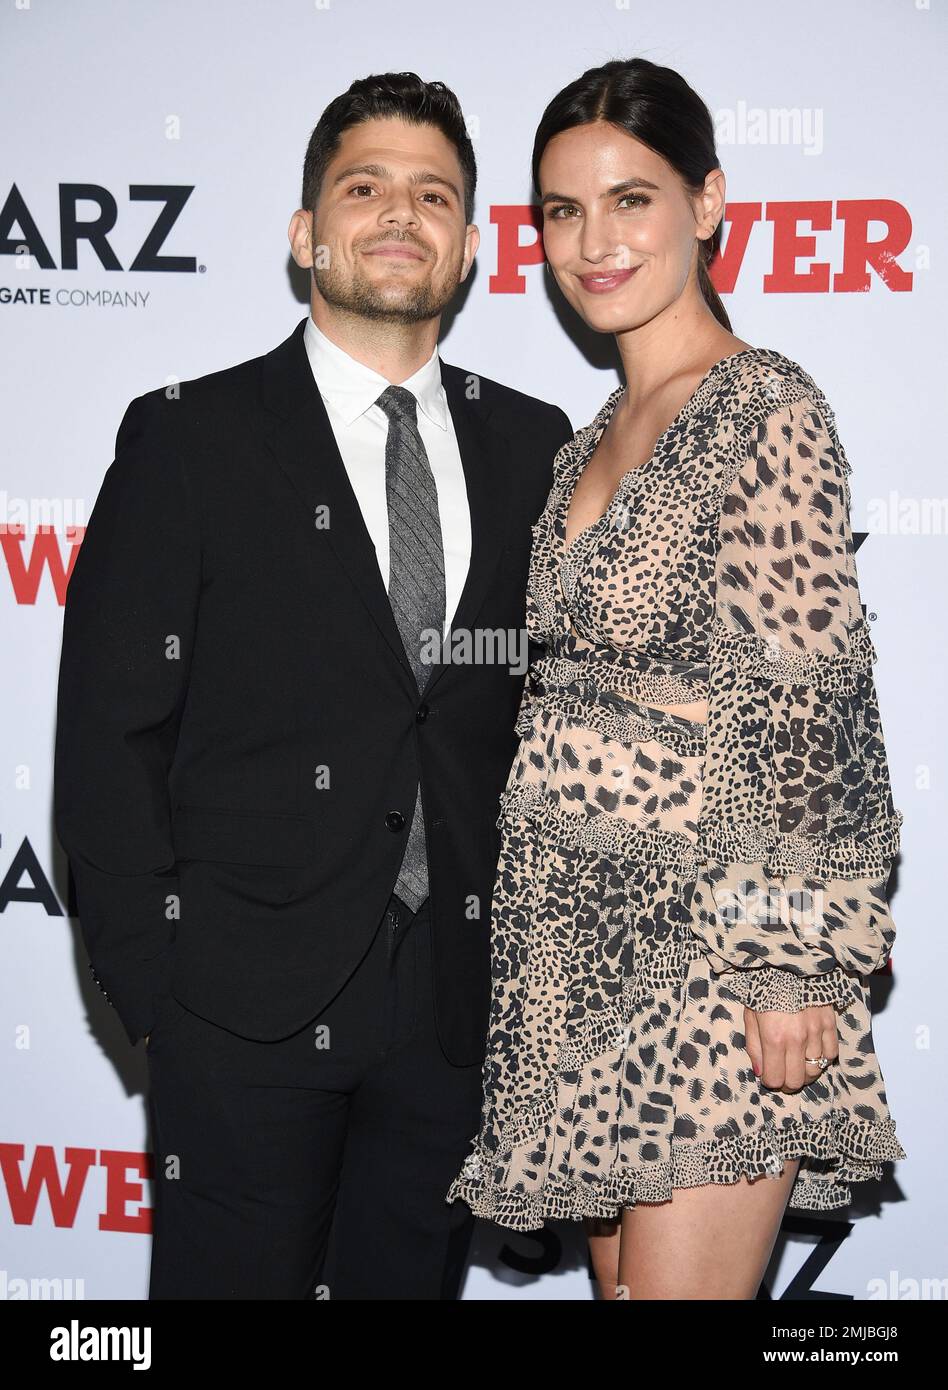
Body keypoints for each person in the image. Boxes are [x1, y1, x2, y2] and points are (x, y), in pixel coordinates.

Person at [53, 71, 572, 1300]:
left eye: (434, 194)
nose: (401, 213)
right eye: (365, 186)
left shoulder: (539, 443)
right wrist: (161, 995)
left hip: (455, 1014)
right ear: (306, 234)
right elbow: (109, 737)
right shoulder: (190, 436)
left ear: (469, 247)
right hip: (237, 1008)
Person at [446, 56, 907, 1300]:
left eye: (631, 199)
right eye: (561, 210)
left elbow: (805, 700)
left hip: (706, 949)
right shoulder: (589, 436)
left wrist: (798, 961)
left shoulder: (765, 408)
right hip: (570, 949)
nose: (595, 242)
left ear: (708, 204)